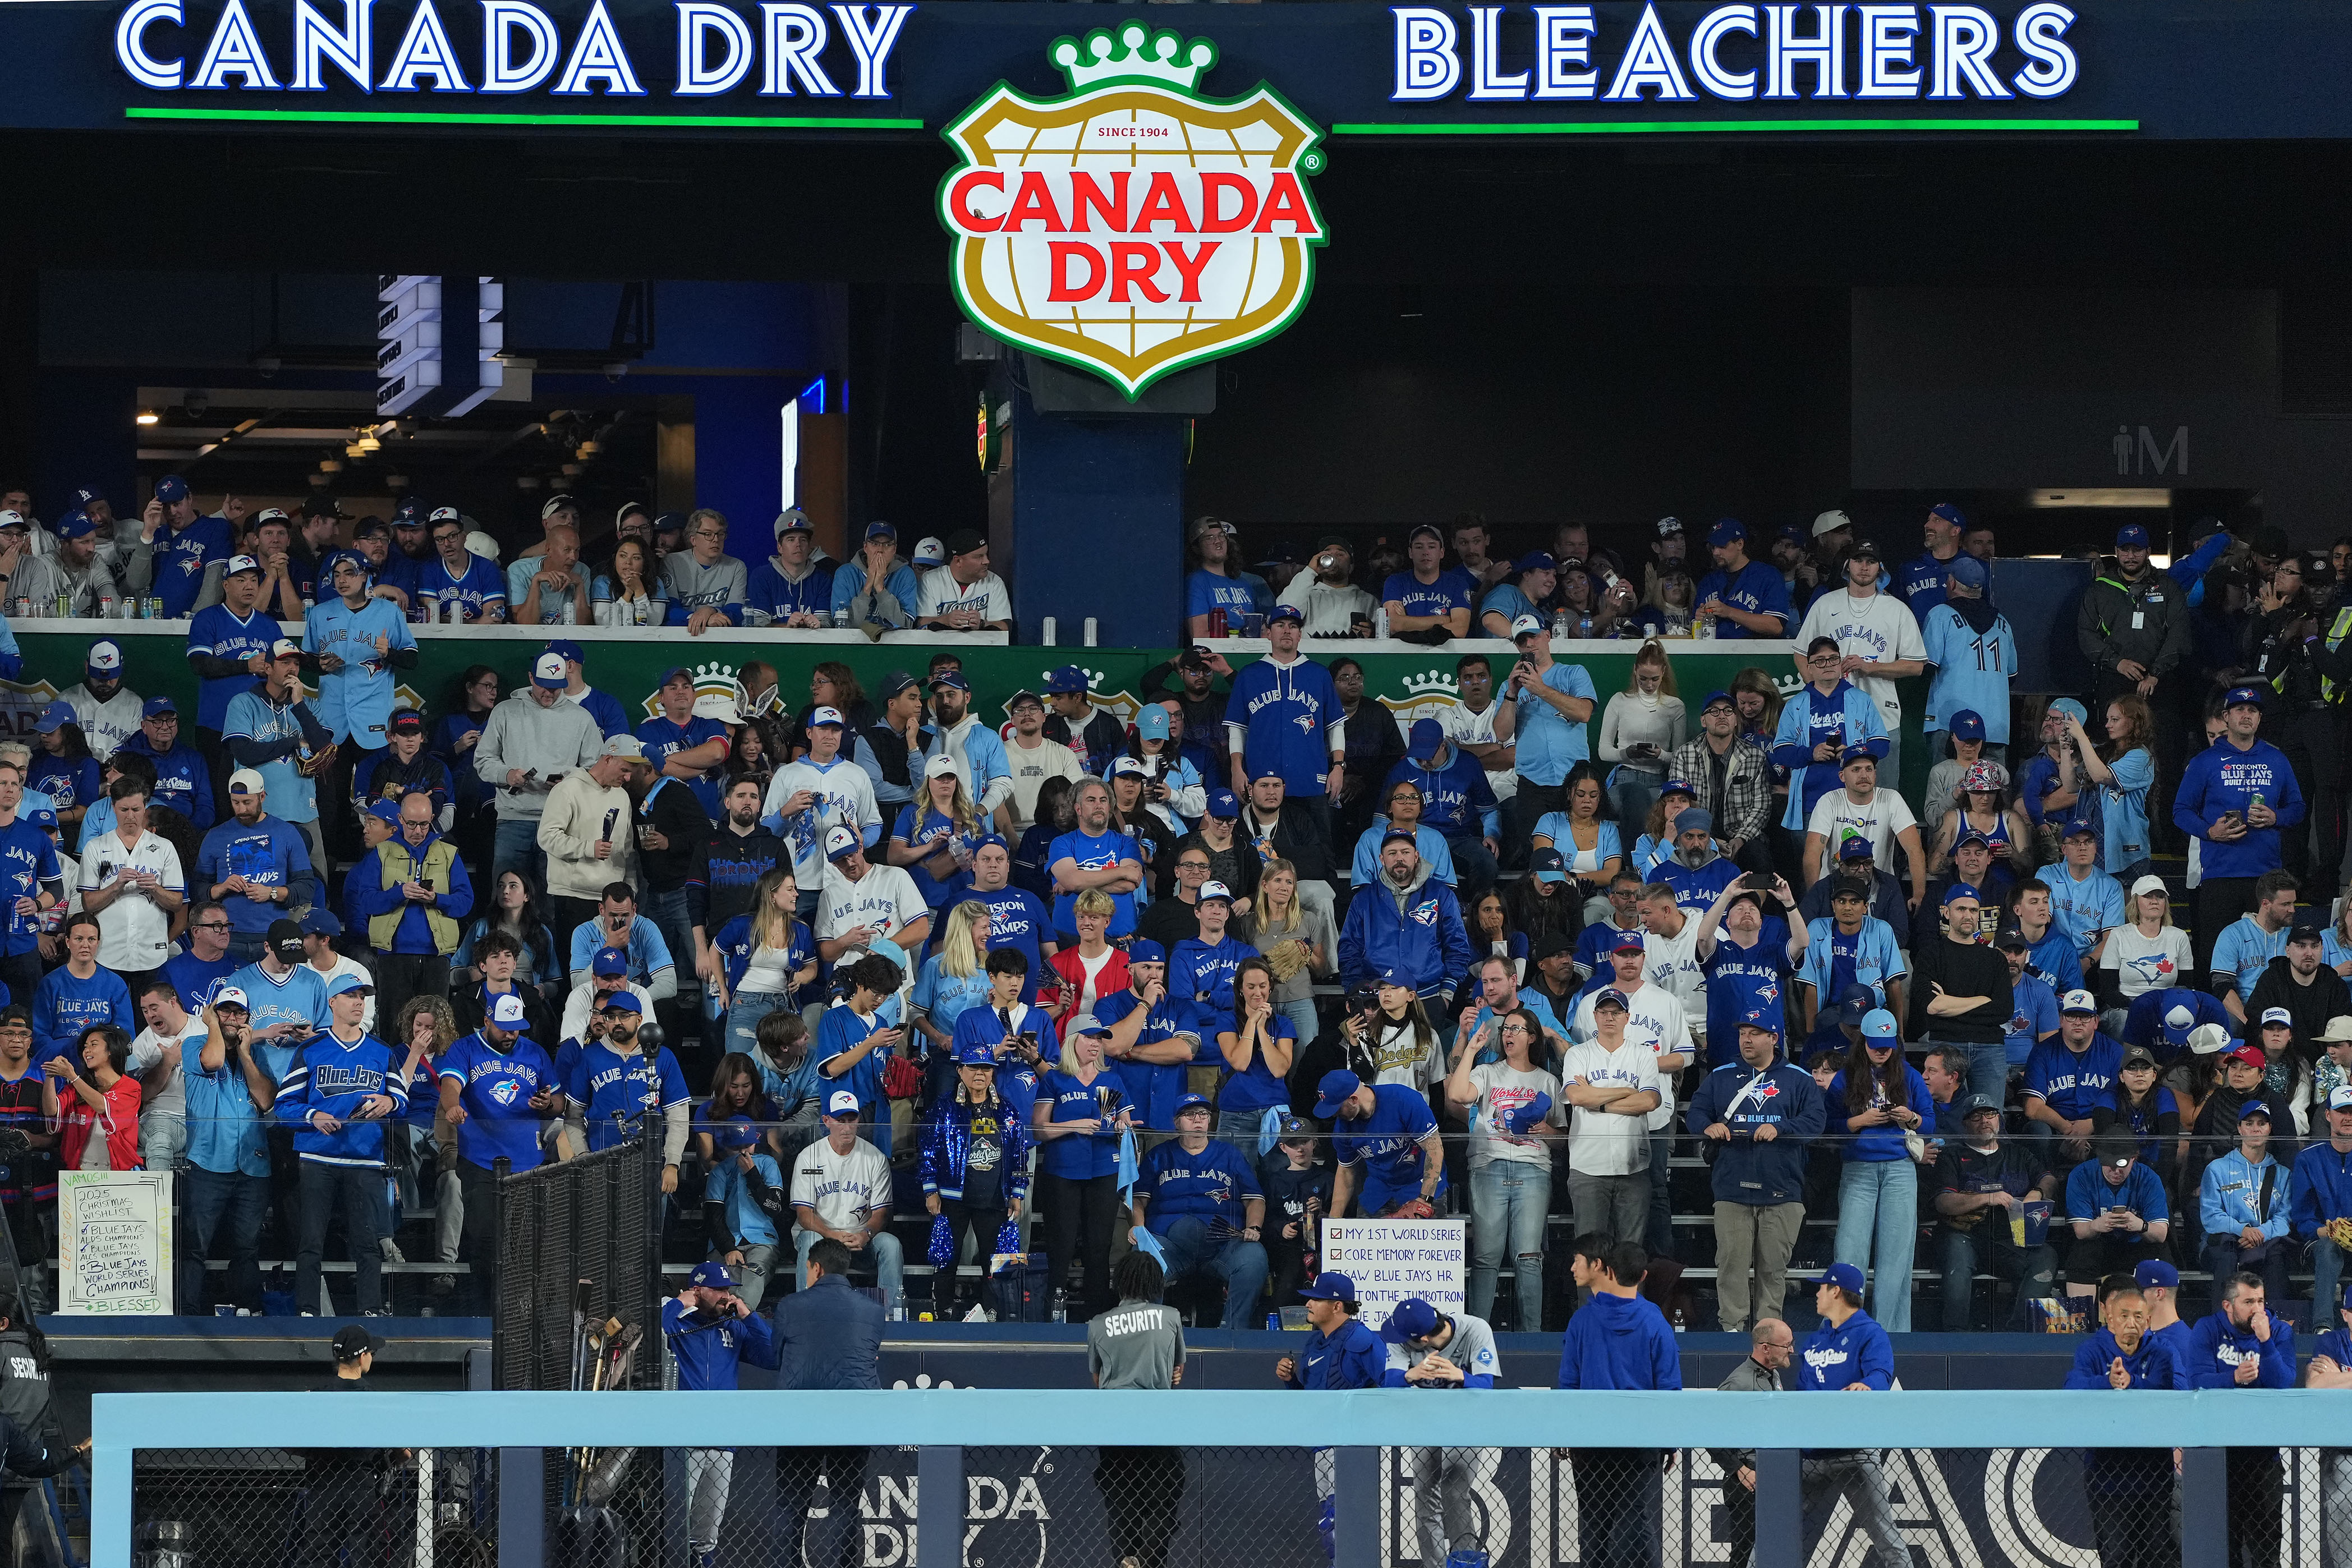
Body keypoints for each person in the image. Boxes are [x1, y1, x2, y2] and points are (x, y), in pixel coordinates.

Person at [274, 972, 405, 1316]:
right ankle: (307, 1311)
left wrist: (390, 1102)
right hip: (318, 1157)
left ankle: (371, 1311)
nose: (359, 1002)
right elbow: (283, 1106)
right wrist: (313, 1115)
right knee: (311, 1241)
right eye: (350, 996)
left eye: (362, 996)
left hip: (365, 1159)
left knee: (367, 1242)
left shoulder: (381, 1050)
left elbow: (402, 1100)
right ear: (332, 1002)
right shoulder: (311, 1049)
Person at [1688, 1010, 1824, 1332]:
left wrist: (1782, 1128)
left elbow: (1816, 1121)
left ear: (1774, 1039)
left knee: (1773, 1270)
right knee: (1730, 1266)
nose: (1746, 1040)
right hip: (1731, 1188)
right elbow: (1695, 1112)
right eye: (1743, 1033)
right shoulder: (1721, 1076)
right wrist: (1708, 1127)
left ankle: (1769, 1333)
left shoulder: (1798, 1078)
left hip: (1782, 1190)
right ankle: (1731, 1331)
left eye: (1755, 1033)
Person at [1555, 1239, 1679, 1563]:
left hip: (1590, 1441)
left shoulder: (1582, 1321)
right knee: (1633, 1519)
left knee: (1594, 1523)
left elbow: (1569, 1382)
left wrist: (1565, 1431)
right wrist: (1668, 1441)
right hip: (1639, 1441)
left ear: (1608, 1270)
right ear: (1643, 1276)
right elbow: (1668, 1387)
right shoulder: (1655, 1322)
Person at [1444, 1006, 1564, 1332]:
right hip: (1488, 1166)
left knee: (1529, 1257)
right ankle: (1475, 1335)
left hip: (1533, 1170)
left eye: (1516, 1029)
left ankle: (1532, 1339)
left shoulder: (1548, 1081)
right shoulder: (1487, 1072)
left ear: (1532, 1037)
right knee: (1486, 1258)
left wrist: (1548, 1132)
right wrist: (1471, 1050)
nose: (1508, 1034)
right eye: (1505, 1029)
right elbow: (1457, 1094)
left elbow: (1561, 1139)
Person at [438, 991, 557, 1313]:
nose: (510, 1034)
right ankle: (486, 1311)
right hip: (480, 1158)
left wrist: (548, 1104)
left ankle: (522, 1312)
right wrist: (452, 1107)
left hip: (528, 1162)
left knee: (527, 1243)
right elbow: (450, 1086)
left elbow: (559, 1101)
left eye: (516, 1028)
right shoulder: (465, 1048)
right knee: (484, 1239)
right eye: (504, 1027)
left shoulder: (535, 1052)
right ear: (487, 1021)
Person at [1789, 1262, 1910, 1568]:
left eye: (1821, 1287)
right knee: (1775, 1528)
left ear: (1836, 1291)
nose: (1816, 1294)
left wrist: (1866, 1385)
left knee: (1886, 1537)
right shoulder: (1815, 1341)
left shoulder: (1870, 1333)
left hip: (1853, 1452)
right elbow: (1804, 1390)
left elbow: (1881, 1374)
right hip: (1812, 1453)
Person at [2177, 684, 2305, 969]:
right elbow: (2181, 811)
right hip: (2220, 874)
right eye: (2240, 709)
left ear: (2259, 718)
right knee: (2215, 954)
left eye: (2253, 710)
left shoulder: (2276, 759)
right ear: (2226, 717)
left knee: (2269, 957)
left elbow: (2298, 808)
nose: (2246, 715)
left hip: (2266, 878)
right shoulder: (2205, 761)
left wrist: (2275, 818)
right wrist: (2210, 832)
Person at [664, 1259, 779, 1568]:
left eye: (728, 1290)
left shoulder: (733, 1327)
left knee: (706, 1535)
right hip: (683, 1440)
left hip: (722, 1440)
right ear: (697, 1291)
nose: (726, 1296)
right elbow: (652, 1333)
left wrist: (748, 1315)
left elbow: (772, 1358)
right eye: (718, 1289)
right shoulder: (679, 1323)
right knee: (674, 1526)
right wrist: (678, 1303)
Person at [2061, 1285, 2186, 1568]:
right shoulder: (2091, 1350)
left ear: (2148, 1320)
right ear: (2111, 1319)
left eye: (2139, 1317)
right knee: (2116, 1557)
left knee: (2159, 1555)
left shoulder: (2162, 1353)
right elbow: (2072, 1388)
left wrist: (2132, 1383)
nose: (2132, 1323)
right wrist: (2106, 1382)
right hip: (2108, 1474)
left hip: (2154, 1473)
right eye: (2124, 1316)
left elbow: (2168, 1392)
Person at [1376, 1294, 1501, 1568]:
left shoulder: (1475, 1329)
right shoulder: (1402, 1339)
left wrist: (1461, 1376)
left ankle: (1464, 1563)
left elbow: (1487, 1386)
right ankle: (1434, 1565)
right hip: (1424, 1422)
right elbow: (1388, 1382)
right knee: (1425, 1497)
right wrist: (1410, 1375)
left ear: (1423, 1338)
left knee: (1454, 1492)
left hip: (1465, 1423)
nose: (1399, 1339)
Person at [1826, 1009, 1932, 1331]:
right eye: (1876, 1045)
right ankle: (1846, 1329)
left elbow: (1930, 1121)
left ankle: (1893, 1334)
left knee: (1897, 1255)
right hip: (1859, 1168)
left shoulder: (1909, 1075)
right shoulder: (1845, 1077)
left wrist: (1911, 1118)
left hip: (1900, 1169)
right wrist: (1857, 1122)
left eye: (1887, 1045)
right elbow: (1827, 1127)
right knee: (1850, 1253)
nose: (1882, 1051)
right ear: (1864, 1041)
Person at [1127, 1092, 1267, 1327]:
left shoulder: (1230, 1155)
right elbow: (1138, 1200)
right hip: (1169, 1245)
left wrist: (1254, 1227)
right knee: (1142, 1257)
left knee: (1254, 1257)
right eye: (1189, 1115)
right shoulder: (1159, 1155)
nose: (1198, 1119)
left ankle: (1233, 1333)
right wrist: (1138, 1227)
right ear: (1177, 1122)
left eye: (1203, 1114)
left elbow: (1255, 1199)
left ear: (1210, 1120)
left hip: (1223, 1244)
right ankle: (1150, 1332)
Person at [2186, 1271, 2295, 1568]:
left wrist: (2266, 1341)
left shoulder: (2278, 1331)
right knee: (2225, 1551)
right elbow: (2197, 1381)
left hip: (2264, 1454)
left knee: (2266, 1553)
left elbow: (2284, 1382)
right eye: (2249, 1302)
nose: (2257, 1309)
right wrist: (2233, 1378)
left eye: (2260, 1301)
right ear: (2228, 1305)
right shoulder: (2208, 1328)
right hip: (2218, 1453)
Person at [1087, 1251, 1187, 1568]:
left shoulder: (1098, 1325)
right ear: (1155, 1283)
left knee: (1121, 1501)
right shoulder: (1171, 1317)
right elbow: (1177, 1372)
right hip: (1158, 1424)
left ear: (1120, 1282)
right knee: (1163, 1497)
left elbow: (1098, 1378)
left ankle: (1128, 1559)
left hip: (1115, 1426)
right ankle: (1147, 1560)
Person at [473, 650, 605, 889]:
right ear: (531, 678)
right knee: (506, 896)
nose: (549, 693)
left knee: (552, 899)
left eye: (555, 688)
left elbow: (595, 768)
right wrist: (507, 775)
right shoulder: (505, 711)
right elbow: (483, 759)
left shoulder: (581, 718)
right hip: (513, 819)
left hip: (560, 822)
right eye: (544, 686)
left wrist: (571, 783)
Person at [921, 1040, 1028, 1319]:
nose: (980, 1073)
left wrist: (1017, 1192)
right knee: (947, 1258)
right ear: (960, 1071)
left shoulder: (1008, 1111)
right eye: (973, 1067)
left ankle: (994, 1315)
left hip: (994, 1198)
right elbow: (928, 1150)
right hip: (952, 1198)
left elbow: (1019, 1155)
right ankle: (942, 1312)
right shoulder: (943, 1108)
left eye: (986, 1068)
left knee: (993, 1263)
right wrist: (930, 1190)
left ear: (993, 1072)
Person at [1031, 1015, 1129, 1319]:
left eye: (1099, 1039)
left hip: (1104, 1170)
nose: (1095, 1044)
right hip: (1063, 1171)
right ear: (1073, 1040)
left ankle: (1097, 1314)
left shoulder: (1113, 1079)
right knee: (1061, 1245)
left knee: (1099, 1246)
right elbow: (1038, 1130)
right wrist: (1074, 1125)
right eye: (1089, 1037)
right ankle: (1054, 1314)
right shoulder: (1055, 1079)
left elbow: (1126, 1121)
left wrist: (1123, 1128)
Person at [1495, 614, 1598, 857]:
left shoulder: (1573, 673)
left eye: (1533, 637)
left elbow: (1584, 713)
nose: (1529, 644)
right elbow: (1502, 733)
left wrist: (1541, 689)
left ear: (1547, 636)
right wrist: (1512, 693)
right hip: (1533, 782)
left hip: (1574, 778)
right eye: (1522, 641)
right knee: (1537, 854)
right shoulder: (1508, 686)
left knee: (1578, 850)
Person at [787, 1090, 903, 1307]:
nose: (847, 1128)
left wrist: (865, 1235)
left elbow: (881, 1213)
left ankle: (890, 1314)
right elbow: (804, 1214)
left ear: (859, 1120)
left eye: (852, 1120)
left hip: (860, 1240)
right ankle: (807, 1310)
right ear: (827, 1121)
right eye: (840, 1121)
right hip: (823, 1239)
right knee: (810, 1240)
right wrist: (831, 1235)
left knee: (890, 1245)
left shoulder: (875, 1158)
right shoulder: (809, 1157)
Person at [1908, 884, 2014, 1109]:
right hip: (1946, 1045)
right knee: (1942, 1116)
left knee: (1990, 1118)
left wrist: (1948, 1004)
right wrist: (1983, 1000)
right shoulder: (1930, 955)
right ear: (1946, 913)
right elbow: (1932, 1006)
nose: (1968, 915)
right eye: (1961, 909)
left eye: (1973, 910)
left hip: (1989, 1048)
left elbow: (2003, 1010)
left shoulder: (1995, 959)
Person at [1338, 832, 1472, 1006]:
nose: (1399, 858)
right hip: (1379, 997)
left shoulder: (1441, 894)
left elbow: (1457, 944)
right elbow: (1349, 949)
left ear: (1416, 856)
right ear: (1382, 859)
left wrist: (1447, 992)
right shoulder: (1364, 899)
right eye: (1392, 853)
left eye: (1405, 852)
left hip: (1429, 995)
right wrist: (1356, 990)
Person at [2080, 521, 2193, 721]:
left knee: (2161, 738)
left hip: (2158, 683)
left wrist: (2155, 674)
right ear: (2116, 551)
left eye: (2137, 550)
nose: (2130, 556)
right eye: (2125, 550)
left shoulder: (2168, 587)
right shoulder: (2100, 588)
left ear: (2148, 552)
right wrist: (2117, 663)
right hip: (2114, 679)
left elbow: (2179, 633)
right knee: (2113, 738)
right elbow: (2086, 633)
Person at [77, 776, 183, 989]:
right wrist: (116, 886)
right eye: (124, 809)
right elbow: (88, 904)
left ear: (145, 808)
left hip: (151, 953)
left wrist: (155, 888)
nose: (130, 816)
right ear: (113, 808)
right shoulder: (95, 847)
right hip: (108, 953)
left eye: (136, 809)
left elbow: (176, 903)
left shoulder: (164, 847)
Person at [1708, 1318, 1794, 1567]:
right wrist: (1740, 1469)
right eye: (1786, 1345)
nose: (1791, 1350)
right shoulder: (1738, 1383)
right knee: (1745, 1553)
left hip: (1772, 1473)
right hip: (1748, 1481)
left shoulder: (1773, 1375)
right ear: (1765, 1348)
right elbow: (1709, 1432)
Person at [1669, 689, 1774, 879]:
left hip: (1741, 835)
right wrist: (1711, 840)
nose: (1722, 716)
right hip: (1698, 833)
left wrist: (1739, 840)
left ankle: (1761, 899)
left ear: (1736, 720)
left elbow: (1761, 808)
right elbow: (1678, 805)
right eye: (1714, 711)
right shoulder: (1684, 755)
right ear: (1703, 721)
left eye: (1728, 711)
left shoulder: (1754, 756)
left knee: (1759, 856)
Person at [1320, 1069, 1446, 1221]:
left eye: (1337, 1109)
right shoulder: (1343, 1127)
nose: (1334, 1115)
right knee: (1364, 1235)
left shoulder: (1403, 1099)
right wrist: (1334, 1220)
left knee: (1424, 1231)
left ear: (1353, 1099)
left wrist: (1424, 1200)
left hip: (1419, 1182)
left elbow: (1434, 1149)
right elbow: (1346, 1171)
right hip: (1380, 1188)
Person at [2064, 1133, 2172, 1307]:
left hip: (2136, 1244)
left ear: (2134, 1158)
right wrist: (2096, 1225)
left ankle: (2159, 1319)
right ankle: (2082, 1317)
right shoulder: (2081, 1175)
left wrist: (2141, 1225)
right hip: (2099, 1244)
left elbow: (2161, 1234)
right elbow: (2081, 1231)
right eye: (2109, 1165)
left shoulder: (2149, 1178)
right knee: (2081, 1254)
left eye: (2122, 1165)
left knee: (2161, 1256)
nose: (2116, 1172)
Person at [2203, 1099, 2293, 1309]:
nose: (2255, 1129)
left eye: (2262, 1123)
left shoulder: (2282, 1174)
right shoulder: (2217, 1168)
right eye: (2249, 1123)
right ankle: (2222, 1321)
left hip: (2267, 1243)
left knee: (2276, 1258)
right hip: (2227, 1243)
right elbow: (2211, 1215)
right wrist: (2242, 1230)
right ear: (2239, 1128)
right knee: (2227, 1257)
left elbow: (2285, 1217)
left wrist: (2260, 1233)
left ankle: (2278, 1322)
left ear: (2270, 1129)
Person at [2211, 868, 2300, 1026]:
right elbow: (2221, 985)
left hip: (2288, 1011)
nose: (2292, 910)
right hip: (2247, 1010)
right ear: (2266, 904)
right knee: (2231, 1023)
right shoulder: (2233, 934)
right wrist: (2249, 1023)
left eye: (2293, 903)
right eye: (2286, 904)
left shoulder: (2296, 936)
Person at [2293, 1084, 2352, 1315]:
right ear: (2328, 1115)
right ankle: (2323, 1326)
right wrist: (2330, 1231)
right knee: (2329, 1248)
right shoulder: (2308, 1158)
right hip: (2320, 1243)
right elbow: (2302, 1219)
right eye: (2342, 1111)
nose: (2348, 1118)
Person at [1692, 518, 1794, 640]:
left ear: (1740, 544)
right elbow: (1694, 630)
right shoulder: (1708, 582)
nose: (1716, 552)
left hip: (1755, 650)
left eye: (1722, 546)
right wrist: (1698, 619)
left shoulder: (1768, 575)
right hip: (1713, 650)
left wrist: (1729, 612)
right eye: (1713, 547)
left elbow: (1776, 626)